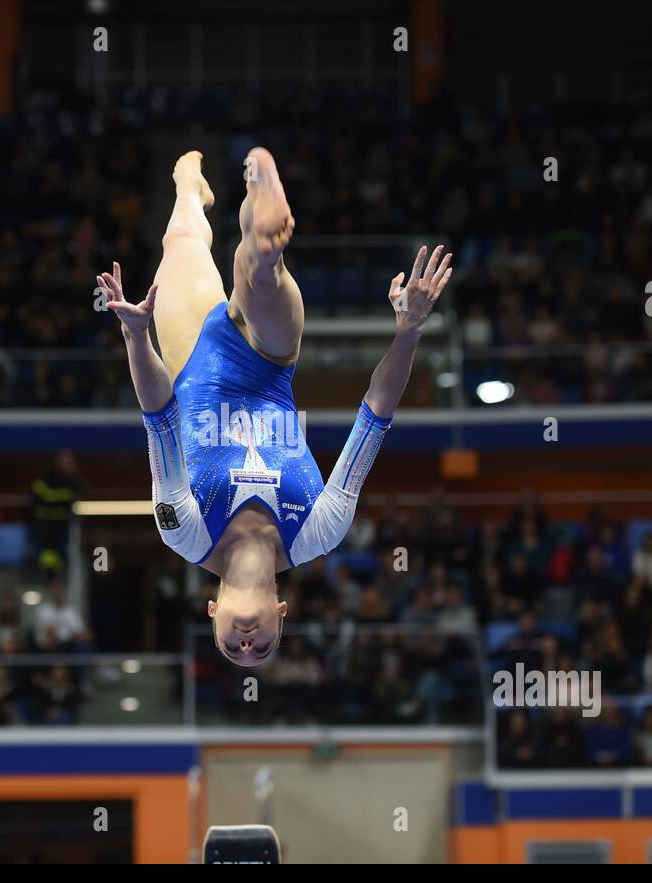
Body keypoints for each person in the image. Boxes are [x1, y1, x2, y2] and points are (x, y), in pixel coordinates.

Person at [99, 148, 450, 667]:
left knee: (181, 238)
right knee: (261, 270)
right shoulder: (317, 531)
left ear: (212, 610)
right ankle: (263, 227)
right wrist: (409, 331)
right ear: (282, 612)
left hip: (187, 350)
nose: (247, 642)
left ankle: (189, 187)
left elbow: (161, 417)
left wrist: (134, 336)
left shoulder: (182, 530)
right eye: (261, 647)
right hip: (268, 358)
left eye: (232, 646)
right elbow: (375, 416)